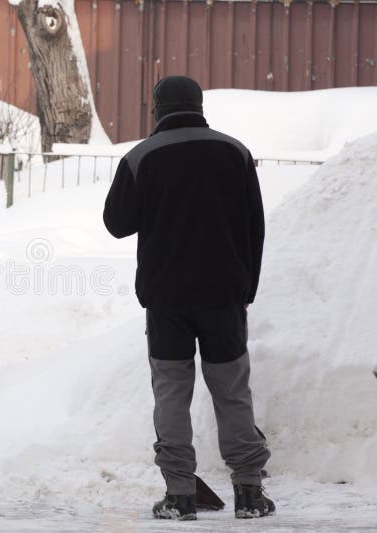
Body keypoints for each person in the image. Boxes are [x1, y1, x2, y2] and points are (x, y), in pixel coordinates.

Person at [103, 76, 273, 520]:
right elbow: (255, 226)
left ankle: (179, 494)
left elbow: (116, 223)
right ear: (199, 106)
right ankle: (250, 492)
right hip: (223, 297)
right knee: (232, 391)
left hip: (167, 299)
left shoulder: (141, 157)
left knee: (172, 392)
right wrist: (245, 288)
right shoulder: (234, 152)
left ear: (156, 109)